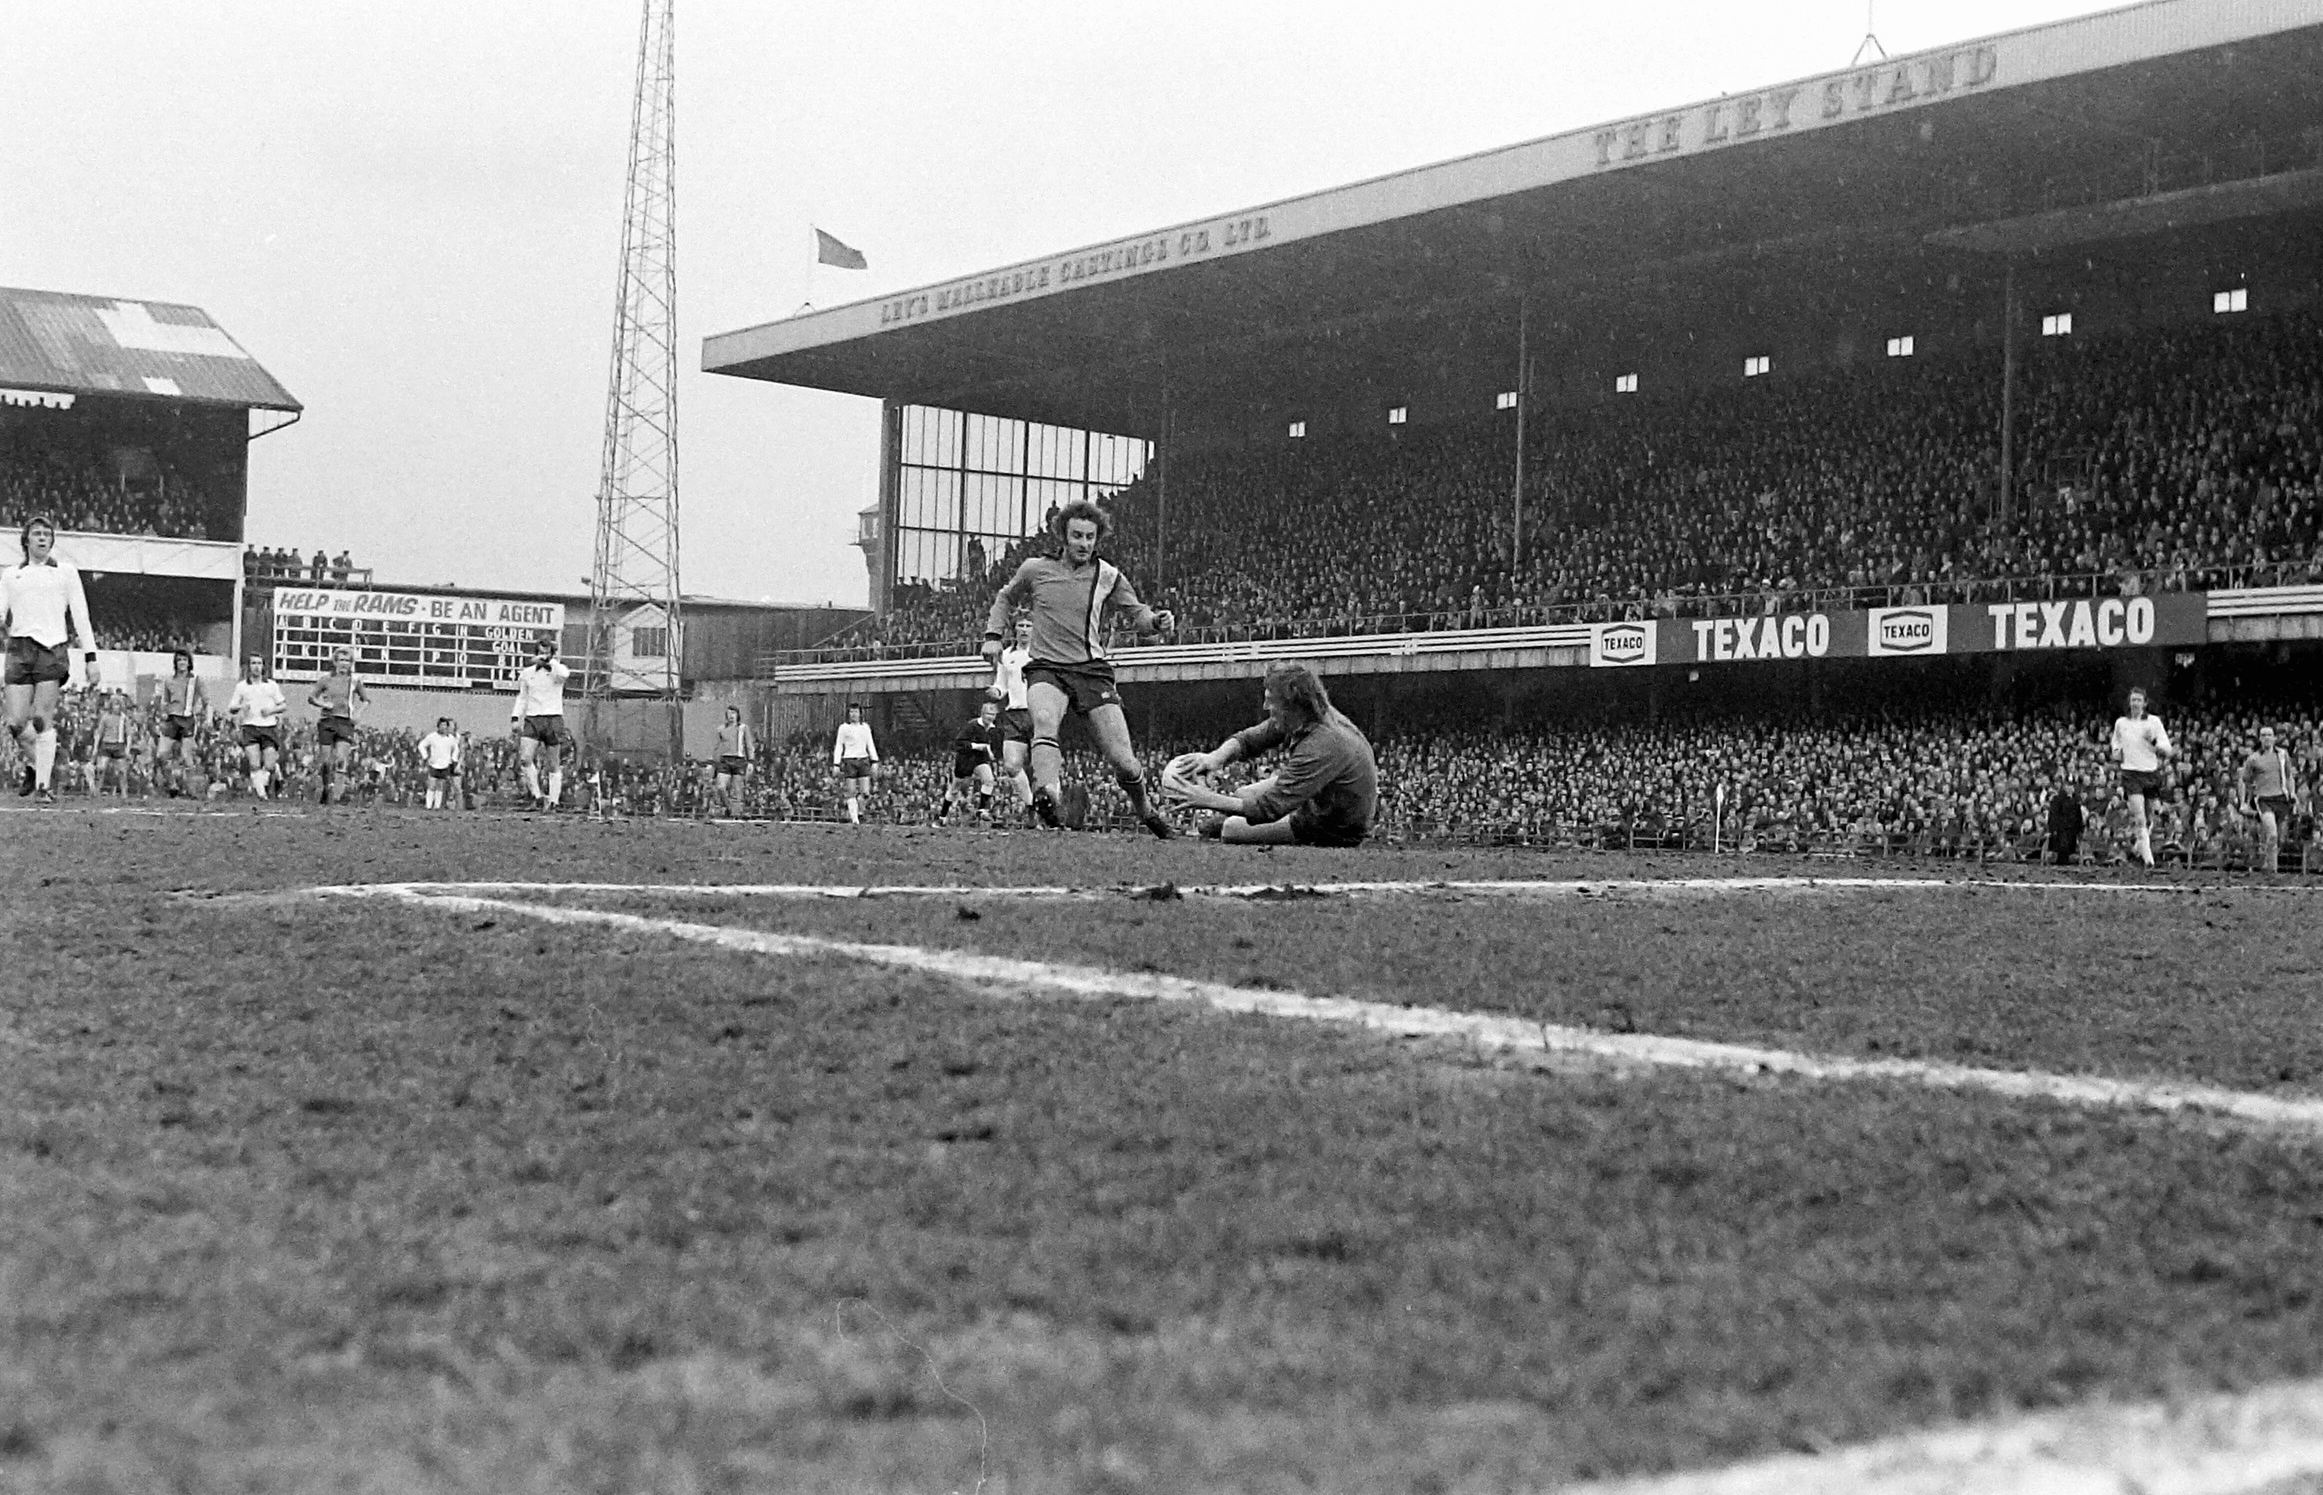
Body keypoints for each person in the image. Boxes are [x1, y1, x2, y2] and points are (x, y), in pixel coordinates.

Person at [979, 499, 1176, 837]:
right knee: (1043, 721)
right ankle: (1049, 795)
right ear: (1064, 536)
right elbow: (1005, 597)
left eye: (1090, 537)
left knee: (1124, 762)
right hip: (1046, 667)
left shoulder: (1108, 575)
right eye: (1077, 536)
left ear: (1098, 538)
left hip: (1091, 671)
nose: (1084, 544)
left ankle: (1147, 811)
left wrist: (1157, 621)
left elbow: (1137, 613)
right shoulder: (1035, 569)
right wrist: (993, 635)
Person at [1165, 661, 1377, 846]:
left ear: (1290, 703)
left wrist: (1208, 799)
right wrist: (1215, 758)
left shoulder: (1322, 745)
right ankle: (1232, 818)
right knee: (1243, 795)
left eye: (1271, 700)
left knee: (1231, 830)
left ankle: (1228, 824)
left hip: (1335, 825)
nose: (1266, 706)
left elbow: (1268, 809)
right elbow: (1250, 739)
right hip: (1325, 794)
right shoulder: (1304, 715)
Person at [1, 514, 99, 804]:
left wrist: (91, 657)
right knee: (16, 723)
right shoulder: (11, 575)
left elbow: (81, 616)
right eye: (37, 533)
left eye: (47, 534)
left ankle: (43, 786)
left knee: (42, 720)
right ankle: (35, 764)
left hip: (51, 648)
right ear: (26, 540)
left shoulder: (65, 572)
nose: (42, 538)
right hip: (19, 649)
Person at [2108, 686, 2174, 869]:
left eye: (2139, 700)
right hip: (2131, 773)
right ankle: (2149, 861)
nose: (2135, 703)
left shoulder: (2153, 722)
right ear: (2129, 702)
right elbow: (2116, 742)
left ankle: (2141, 845)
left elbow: (2167, 750)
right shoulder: (2121, 723)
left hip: (2150, 773)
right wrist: (2116, 751)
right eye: (2133, 700)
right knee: (2139, 816)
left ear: (2145, 703)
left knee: (2153, 814)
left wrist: (2152, 741)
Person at [510, 634, 570, 810]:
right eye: (541, 652)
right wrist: (515, 718)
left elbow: (565, 674)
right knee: (525, 758)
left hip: (553, 717)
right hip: (533, 717)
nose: (544, 655)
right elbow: (522, 697)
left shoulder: (557, 671)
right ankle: (537, 796)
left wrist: (550, 662)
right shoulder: (527, 674)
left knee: (553, 763)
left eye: (547, 652)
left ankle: (553, 800)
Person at [305, 646, 371, 805]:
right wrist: (323, 703)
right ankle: (325, 788)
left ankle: (337, 794)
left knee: (341, 759)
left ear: (351, 663)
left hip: (345, 722)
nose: (344, 664)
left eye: (347, 661)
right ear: (335, 662)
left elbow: (366, 700)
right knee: (326, 761)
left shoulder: (354, 681)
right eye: (341, 660)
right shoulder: (325, 679)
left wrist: (358, 714)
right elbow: (311, 697)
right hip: (327, 721)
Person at [988, 614, 1036, 820]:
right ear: (1014, 629)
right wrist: (995, 692)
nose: (1024, 629)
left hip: (1039, 712)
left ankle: (1051, 813)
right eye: (1021, 625)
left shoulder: (1044, 653)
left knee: (1043, 768)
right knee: (1011, 765)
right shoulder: (1006, 655)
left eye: (1028, 625)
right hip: (1015, 714)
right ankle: (1031, 807)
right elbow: (1002, 685)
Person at [226, 653, 286, 799]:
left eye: (259, 663)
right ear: (248, 666)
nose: (257, 667)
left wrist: (271, 710)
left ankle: (276, 771)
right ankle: (261, 794)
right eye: (253, 663)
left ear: (263, 666)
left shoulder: (271, 685)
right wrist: (242, 706)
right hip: (250, 727)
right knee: (254, 764)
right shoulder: (241, 686)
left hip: (268, 727)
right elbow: (232, 707)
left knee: (269, 765)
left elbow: (283, 705)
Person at [2239, 723, 2297, 875]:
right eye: (2263, 735)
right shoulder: (2253, 759)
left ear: (2274, 738)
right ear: (2260, 738)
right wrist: (2245, 801)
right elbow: (2244, 780)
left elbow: (2289, 776)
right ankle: (2272, 870)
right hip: (2264, 800)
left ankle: (2268, 863)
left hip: (2282, 799)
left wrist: (2292, 792)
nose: (2266, 738)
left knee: (2281, 839)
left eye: (2269, 735)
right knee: (2272, 834)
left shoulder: (2283, 755)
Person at [156, 650, 209, 797]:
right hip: (172, 720)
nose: (182, 663)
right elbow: (164, 702)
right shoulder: (169, 681)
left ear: (189, 662)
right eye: (179, 660)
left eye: (184, 660)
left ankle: (193, 791)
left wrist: (207, 717)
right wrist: (163, 714)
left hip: (187, 720)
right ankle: (172, 785)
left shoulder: (196, 680)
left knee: (187, 756)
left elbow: (207, 701)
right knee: (161, 755)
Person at [947, 698, 1002, 826]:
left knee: (989, 780)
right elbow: (959, 743)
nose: (991, 717)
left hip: (980, 762)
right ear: (982, 714)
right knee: (958, 788)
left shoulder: (995, 730)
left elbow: (995, 747)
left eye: (993, 715)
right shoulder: (971, 726)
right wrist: (975, 746)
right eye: (988, 714)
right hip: (966, 762)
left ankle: (981, 810)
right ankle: (947, 815)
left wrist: (992, 752)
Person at [831, 701, 877, 824]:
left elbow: (870, 744)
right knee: (851, 792)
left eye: (856, 712)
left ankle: (860, 811)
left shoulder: (865, 727)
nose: (853, 714)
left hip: (863, 759)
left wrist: (874, 760)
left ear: (860, 714)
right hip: (849, 760)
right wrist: (836, 763)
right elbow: (839, 746)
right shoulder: (844, 728)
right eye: (851, 712)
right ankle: (855, 820)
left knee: (865, 792)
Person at [89, 688, 136, 797]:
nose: (117, 707)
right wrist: (96, 748)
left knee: (122, 771)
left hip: (118, 745)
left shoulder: (124, 719)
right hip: (106, 744)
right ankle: (97, 791)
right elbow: (99, 733)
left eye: (118, 704)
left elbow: (128, 734)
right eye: (115, 704)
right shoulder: (105, 717)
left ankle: (124, 792)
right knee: (101, 769)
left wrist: (127, 749)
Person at [713, 705, 754, 817]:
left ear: (737, 715)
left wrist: (751, 761)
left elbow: (748, 744)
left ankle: (736, 812)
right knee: (721, 786)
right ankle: (728, 806)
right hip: (725, 759)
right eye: (729, 713)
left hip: (739, 760)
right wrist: (714, 761)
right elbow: (717, 746)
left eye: (733, 713)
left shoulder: (743, 728)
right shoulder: (721, 729)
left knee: (737, 789)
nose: (731, 716)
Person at [417, 716, 463, 810]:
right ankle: (428, 805)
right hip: (434, 764)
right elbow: (421, 745)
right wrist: (426, 757)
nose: (443, 728)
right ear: (438, 726)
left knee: (440, 785)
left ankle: (437, 806)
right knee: (431, 784)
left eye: (445, 726)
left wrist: (453, 761)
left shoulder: (450, 738)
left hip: (445, 764)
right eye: (441, 725)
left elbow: (456, 750)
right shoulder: (432, 736)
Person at [2045, 778, 2086, 866]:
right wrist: (2053, 829)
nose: (2070, 788)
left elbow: (2078, 817)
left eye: (2072, 786)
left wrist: (2079, 829)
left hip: (2072, 831)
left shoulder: (2076, 801)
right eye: (2068, 786)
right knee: (2062, 850)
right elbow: (2053, 815)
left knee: (2069, 851)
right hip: (2061, 830)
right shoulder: (2057, 800)